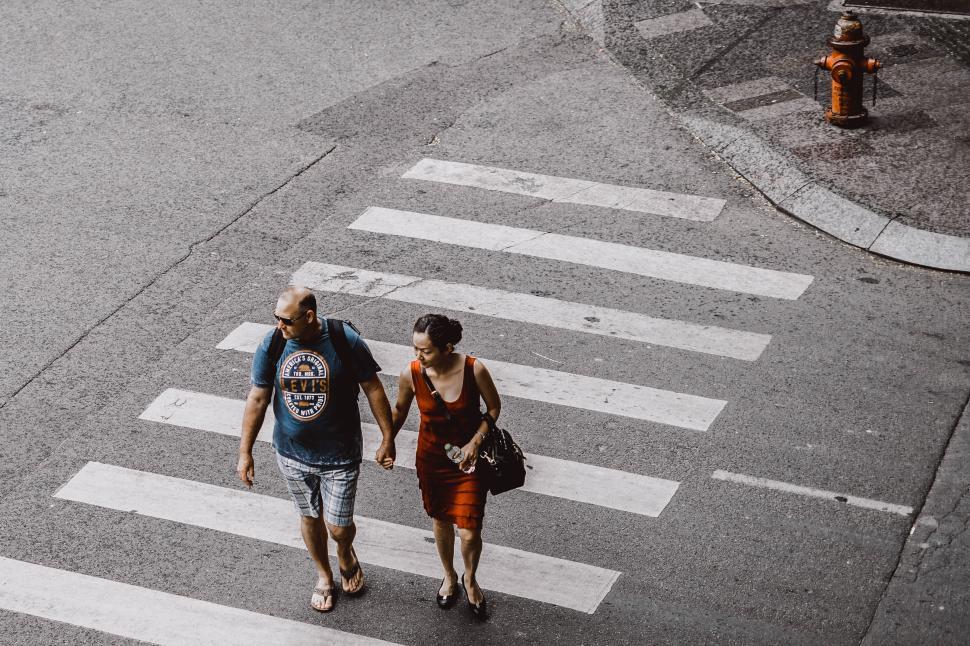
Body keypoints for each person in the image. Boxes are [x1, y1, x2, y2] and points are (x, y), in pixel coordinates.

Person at [236, 286, 397, 613]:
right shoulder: (273, 343)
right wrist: (245, 452)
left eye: (287, 321)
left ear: (309, 316)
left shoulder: (344, 339)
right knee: (309, 516)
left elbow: (373, 389)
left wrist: (387, 437)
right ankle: (324, 576)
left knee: (339, 527)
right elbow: (258, 398)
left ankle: (344, 552)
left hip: (340, 455)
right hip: (292, 453)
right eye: (276, 319)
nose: (280, 326)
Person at [390, 313, 501, 619]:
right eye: (415, 348)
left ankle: (470, 578)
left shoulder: (473, 369)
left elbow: (494, 407)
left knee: (468, 531)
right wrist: (388, 440)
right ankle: (449, 576)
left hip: (470, 463)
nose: (418, 355)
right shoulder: (411, 373)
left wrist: (475, 443)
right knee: (440, 521)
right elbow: (399, 410)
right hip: (432, 459)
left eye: (425, 350)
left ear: (447, 348)